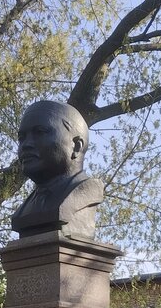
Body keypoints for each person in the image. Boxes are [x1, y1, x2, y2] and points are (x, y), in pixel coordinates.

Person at [11, 100, 104, 238]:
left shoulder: (87, 192)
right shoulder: (25, 210)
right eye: (21, 138)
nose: (26, 145)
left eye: (40, 132)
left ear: (76, 146)